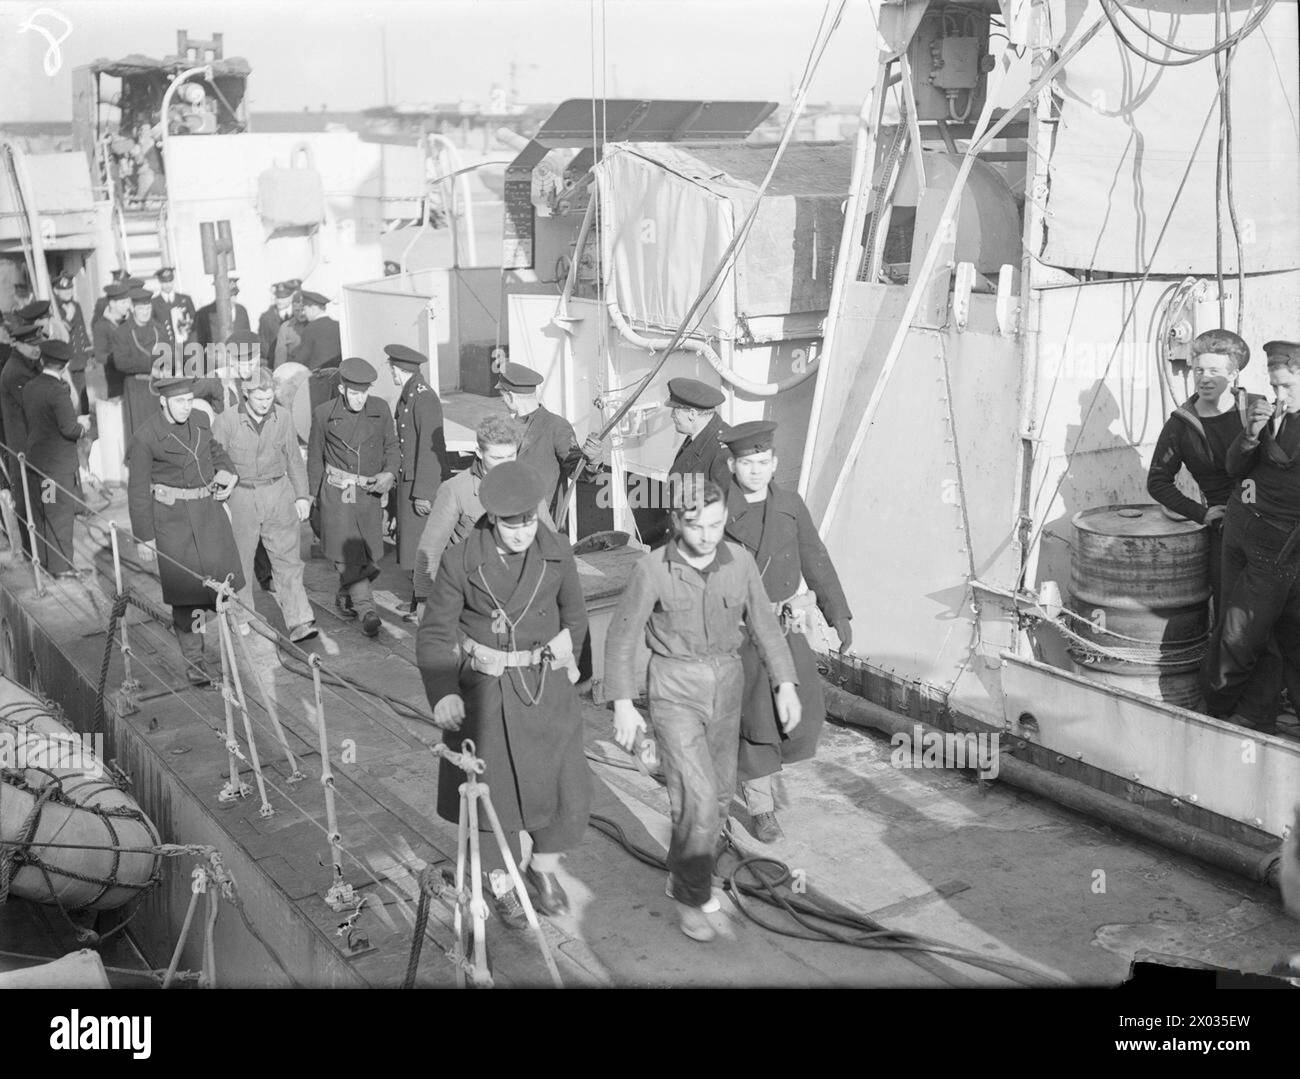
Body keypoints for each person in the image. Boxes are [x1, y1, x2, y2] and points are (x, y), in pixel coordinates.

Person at [606, 477, 800, 942]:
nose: (708, 535)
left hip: (728, 682)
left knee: (715, 795)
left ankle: (682, 872)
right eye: (696, 526)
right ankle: (692, 899)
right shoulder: (652, 569)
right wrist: (623, 705)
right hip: (674, 684)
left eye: (716, 524)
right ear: (676, 521)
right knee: (695, 796)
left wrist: (785, 683)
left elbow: (765, 626)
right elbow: (622, 634)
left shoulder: (741, 563)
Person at [417, 461, 590, 927]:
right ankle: (502, 880)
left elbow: (575, 616)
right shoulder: (462, 561)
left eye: (530, 521)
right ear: (493, 518)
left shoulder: (556, 552)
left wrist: (577, 669)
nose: (523, 533)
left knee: (563, 789)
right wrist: (443, 693)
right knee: (495, 800)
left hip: (545, 689)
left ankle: (542, 867)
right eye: (512, 524)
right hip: (487, 697)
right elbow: (435, 634)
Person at [721, 420, 852, 842]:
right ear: (731, 465)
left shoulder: (790, 505)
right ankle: (760, 806)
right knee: (755, 719)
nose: (756, 470)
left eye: (763, 461)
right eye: (747, 462)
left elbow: (815, 557)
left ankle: (751, 777)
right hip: (737, 632)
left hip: (785, 627)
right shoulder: (713, 511)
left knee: (802, 714)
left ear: (774, 463)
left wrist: (839, 614)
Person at [1202, 339, 1300, 736]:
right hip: (1240, 531)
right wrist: (1251, 434)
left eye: (1288, 387)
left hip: (1277, 544)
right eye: (1275, 386)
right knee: (1244, 625)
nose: (1279, 395)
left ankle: (1218, 711)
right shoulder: (1266, 414)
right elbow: (1233, 468)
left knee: (1240, 634)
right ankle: (1254, 711)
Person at [126, 378, 242, 687]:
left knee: (215, 588)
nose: (186, 407)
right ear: (163, 402)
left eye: (190, 400)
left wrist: (228, 473)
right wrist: (145, 537)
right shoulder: (145, 437)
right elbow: (137, 491)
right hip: (173, 522)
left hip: (208, 514)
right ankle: (196, 663)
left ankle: (211, 650)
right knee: (187, 595)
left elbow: (215, 452)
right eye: (180, 402)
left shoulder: (201, 420)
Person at [212, 366, 317, 643]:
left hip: (277, 492)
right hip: (242, 496)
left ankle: (300, 621)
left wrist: (302, 496)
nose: (265, 404)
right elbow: (214, 461)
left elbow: (294, 458)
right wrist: (220, 493)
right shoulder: (226, 422)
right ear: (246, 395)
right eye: (260, 398)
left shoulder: (282, 417)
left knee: (288, 559)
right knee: (242, 561)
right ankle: (242, 615)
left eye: (269, 397)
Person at [306, 357, 397, 638]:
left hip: (369, 492)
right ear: (343, 389)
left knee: (370, 553)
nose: (360, 399)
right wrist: (313, 497)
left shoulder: (380, 409)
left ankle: (346, 594)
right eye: (355, 393)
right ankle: (366, 609)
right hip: (338, 492)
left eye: (365, 392)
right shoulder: (324, 414)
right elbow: (315, 457)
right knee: (349, 553)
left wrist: (390, 473)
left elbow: (392, 447)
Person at [386, 344, 449, 616]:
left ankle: (428, 602)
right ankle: (417, 598)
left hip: (418, 484)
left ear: (400, 369)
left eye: (391, 368)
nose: (391, 373)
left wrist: (425, 492)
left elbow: (431, 448)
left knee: (425, 546)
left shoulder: (423, 398)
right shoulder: (411, 393)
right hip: (408, 481)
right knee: (413, 545)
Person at [21, 340, 90, 575]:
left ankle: (45, 563)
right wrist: (83, 427)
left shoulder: (30, 387)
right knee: (59, 515)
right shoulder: (58, 391)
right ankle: (62, 568)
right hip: (57, 469)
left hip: (37, 463)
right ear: (64, 365)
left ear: (42, 360)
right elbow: (69, 429)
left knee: (43, 513)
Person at [496, 362, 582, 515]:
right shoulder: (504, 427)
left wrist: (593, 461)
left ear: (510, 396)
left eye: (502, 395)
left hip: (543, 522)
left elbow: (579, 473)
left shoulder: (556, 426)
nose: (501, 400)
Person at [0, 320, 46, 543]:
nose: (36, 348)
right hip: (25, 450)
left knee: (49, 501)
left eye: (37, 342)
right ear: (15, 344)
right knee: (31, 503)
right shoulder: (16, 372)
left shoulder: (31, 365)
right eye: (29, 344)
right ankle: (37, 557)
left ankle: (51, 555)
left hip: (39, 446)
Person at [110, 288, 169, 446]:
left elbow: (169, 353)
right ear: (132, 308)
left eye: (148, 308)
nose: (145, 312)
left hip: (159, 386)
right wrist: (150, 365)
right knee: (142, 435)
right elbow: (121, 362)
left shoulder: (159, 329)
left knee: (163, 432)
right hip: (137, 390)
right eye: (141, 308)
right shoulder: (122, 333)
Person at [50, 273, 93, 414]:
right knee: (69, 395)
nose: (68, 292)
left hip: (79, 357)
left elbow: (82, 330)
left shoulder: (76, 305)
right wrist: (68, 318)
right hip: (65, 360)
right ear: (56, 291)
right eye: (64, 290)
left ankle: (85, 423)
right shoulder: (54, 309)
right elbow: (59, 335)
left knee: (82, 392)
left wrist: (87, 353)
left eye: (70, 289)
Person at [296, 291, 343, 412]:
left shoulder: (310, 329)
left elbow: (302, 359)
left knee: (319, 414)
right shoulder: (337, 325)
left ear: (314, 308)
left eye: (305, 308)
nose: (303, 312)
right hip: (339, 378)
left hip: (318, 381)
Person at [193, 278, 251, 348]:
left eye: (235, 295)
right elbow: (200, 346)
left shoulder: (241, 311)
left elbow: (248, 341)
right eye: (228, 297)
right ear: (219, 295)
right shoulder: (203, 315)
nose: (233, 300)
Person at [150, 268, 196, 346]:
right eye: (164, 282)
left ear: (173, 281)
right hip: (165, 345)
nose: (168, 285)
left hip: (184, 343)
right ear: (160, 282)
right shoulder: (154, 302)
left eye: (170, 281)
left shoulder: (185, 299)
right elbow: (151, 324)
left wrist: (187, 327)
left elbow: (194, 318)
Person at [258, 280, 299, 368]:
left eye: (283, 298)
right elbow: (263, 342)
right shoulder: (266, 318)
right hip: (273, 363)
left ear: (291, 298)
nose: (280, 301)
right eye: (278, 298)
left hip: (295, 362)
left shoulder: (298, 316)